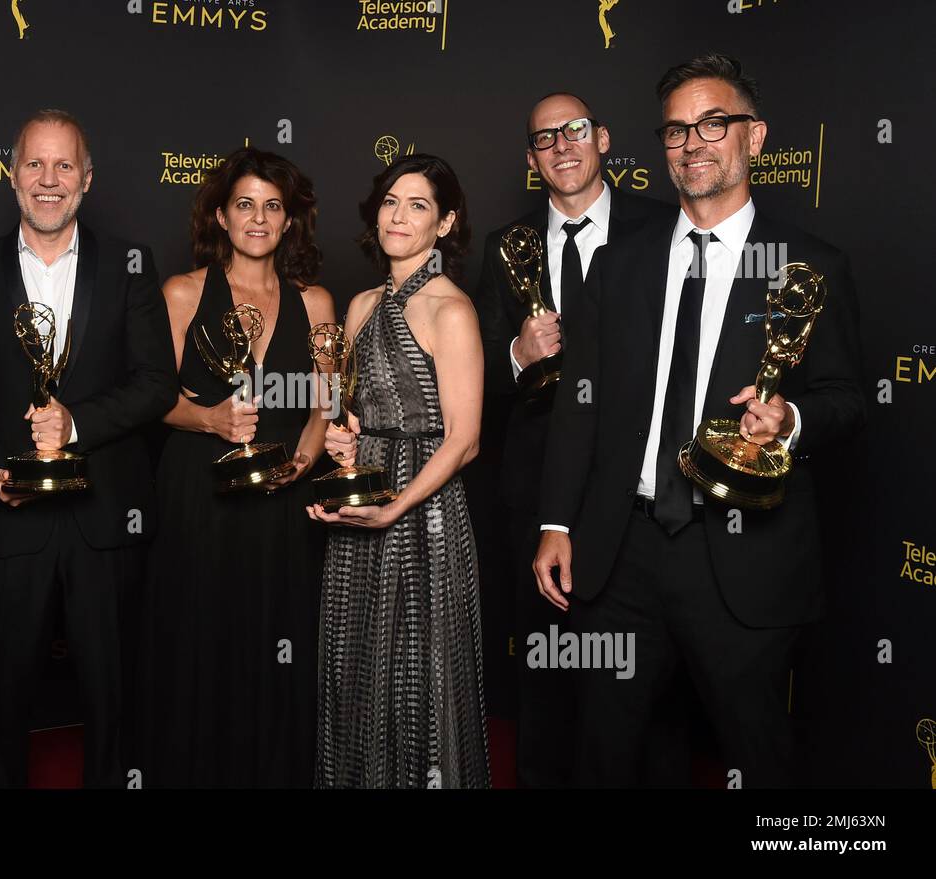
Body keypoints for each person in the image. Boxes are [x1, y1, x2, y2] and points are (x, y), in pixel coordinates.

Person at [534, 53, 865, 787]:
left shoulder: (808, 266)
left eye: (715, 123)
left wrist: (790, 419)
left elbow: (848, 397)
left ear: (756, 137)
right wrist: (558, 521)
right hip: (623, 550)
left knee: (760, 757)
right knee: (603, 754)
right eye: (678, 129)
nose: (694, 142)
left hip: (747, 556)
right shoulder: (618, 261)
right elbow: (578, 400)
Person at [0, 109, 176, 788]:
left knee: (114, 699)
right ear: (11, 178)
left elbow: (157, 384)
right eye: (34, 164)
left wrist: (75, 424)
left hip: (108, 520)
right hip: (9, 522)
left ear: (87, 179)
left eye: (64, 165)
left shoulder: (129, 264)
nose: (49, 179)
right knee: (2, 699)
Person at [474, 92, 677, 788]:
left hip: (642, 496)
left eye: (575, 131)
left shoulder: (664, 230)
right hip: (537, 494)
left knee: (643, 687)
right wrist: (515, 357)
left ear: (603, 139)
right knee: (547, 675)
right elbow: (472, 385)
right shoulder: (506, 246)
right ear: (532, 159)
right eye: (545, 139)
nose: (562, 145)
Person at [138, 147, 334, 787]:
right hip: (200, 492)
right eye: (244, 205)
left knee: (277, 643)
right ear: (220, 216)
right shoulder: (182, 292)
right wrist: (212, 420)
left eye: (272, 207)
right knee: (200, 641)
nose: (258, 219)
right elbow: (153, 400)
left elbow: (325, 404)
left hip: (281, 500)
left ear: (288, 221)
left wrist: (303, 461)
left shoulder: (316, 303)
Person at [308, 154, 489, 788]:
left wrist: (396, 504)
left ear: (445, 225)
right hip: (362, 505)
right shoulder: (359, 306)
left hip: (425, 516)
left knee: (419, 678)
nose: (399, 216)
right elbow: (356, 413)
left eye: (418, 205)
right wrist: (343, 447)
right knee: (354, 672)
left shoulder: (452, 311)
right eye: (391, 201)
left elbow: (464, 441)